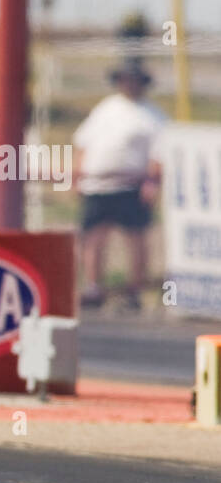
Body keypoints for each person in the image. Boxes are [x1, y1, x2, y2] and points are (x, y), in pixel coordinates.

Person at [72, 59, 165, 310]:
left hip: (131, 185)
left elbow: (159, 153)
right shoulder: (105, 108)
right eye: (125, 79)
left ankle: (135, 289)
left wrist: (152, 183)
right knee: (94, 236)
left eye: (133, 80)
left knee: (135, 238)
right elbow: (83, 142)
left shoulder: (152, 115)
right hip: (98, 184)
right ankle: (94, 286)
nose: (129, 84)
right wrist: (78, 174)